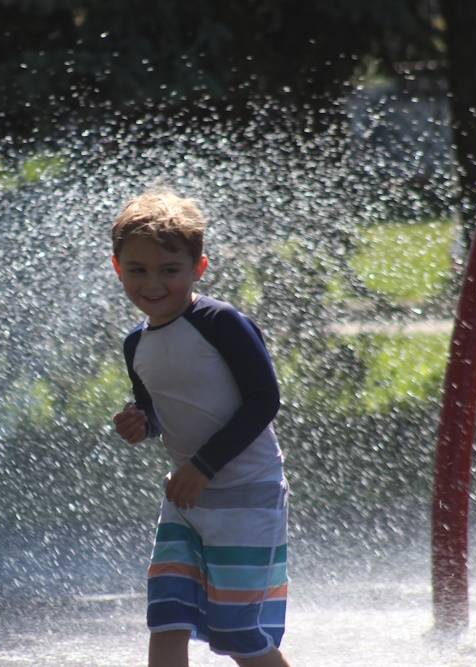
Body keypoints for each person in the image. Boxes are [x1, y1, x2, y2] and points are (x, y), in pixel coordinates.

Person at [110, 190, 291, 667]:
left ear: (198, 267)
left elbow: (264, 400)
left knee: (236, 631)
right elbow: (156, 409)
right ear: (117, 268)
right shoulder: (136, 344)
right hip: (185, 500)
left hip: (246, 492)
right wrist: (140, 421)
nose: (153, 283)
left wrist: (204, 466)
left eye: (169, 270)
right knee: (167, 616)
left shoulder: (220, 322)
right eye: (138, 270)